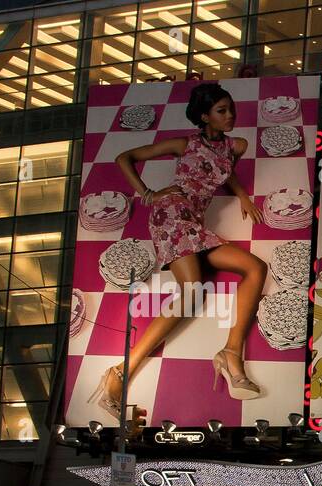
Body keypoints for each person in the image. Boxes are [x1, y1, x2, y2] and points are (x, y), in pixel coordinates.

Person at [98, 83, 268, 416]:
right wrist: (149, 194)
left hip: (196, 222)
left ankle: (231, 353)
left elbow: (224, 169)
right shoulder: (184, 144)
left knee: (255, 268)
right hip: (172, 214)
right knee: (191, 293)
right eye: (221, 111)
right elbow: (125, 158)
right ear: (204, 116)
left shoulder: (236, 145)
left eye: (230, 108)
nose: (230, 115)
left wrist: (242, 195)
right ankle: (120, 372)